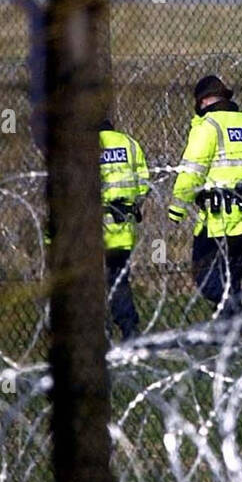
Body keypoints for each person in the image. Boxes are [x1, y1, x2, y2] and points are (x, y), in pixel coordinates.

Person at [171, 75, 242, 318]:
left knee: (204, 276)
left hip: (217, 220)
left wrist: (177, 208)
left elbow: (192, 171)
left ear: (202, 101)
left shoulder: (208, 126)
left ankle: (238, 318)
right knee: (231, 279)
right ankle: (231, 337)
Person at [99, 121, 149, 340]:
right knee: (118, 279)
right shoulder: (129, 143)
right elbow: (144, 183)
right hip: (122, 228)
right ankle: (129, 329)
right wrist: (133, 204)